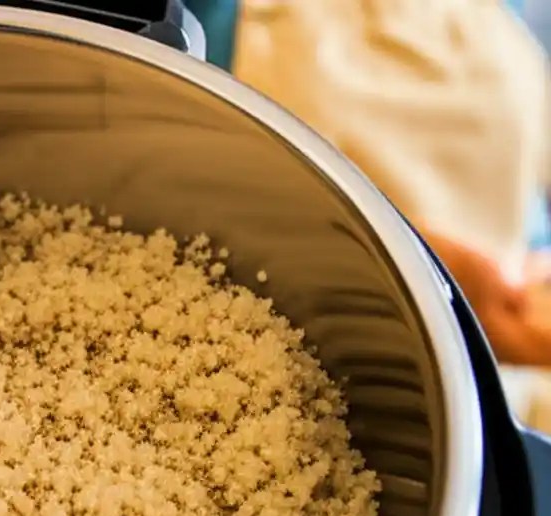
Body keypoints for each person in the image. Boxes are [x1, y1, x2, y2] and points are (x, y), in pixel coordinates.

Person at [187, 0, 551, 416]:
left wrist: (526, 283)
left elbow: (517, 197)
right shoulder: (216, 16)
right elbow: (180, 181)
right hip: (299, 384)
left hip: (499, 396)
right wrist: (409, 273)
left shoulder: (505, 15)